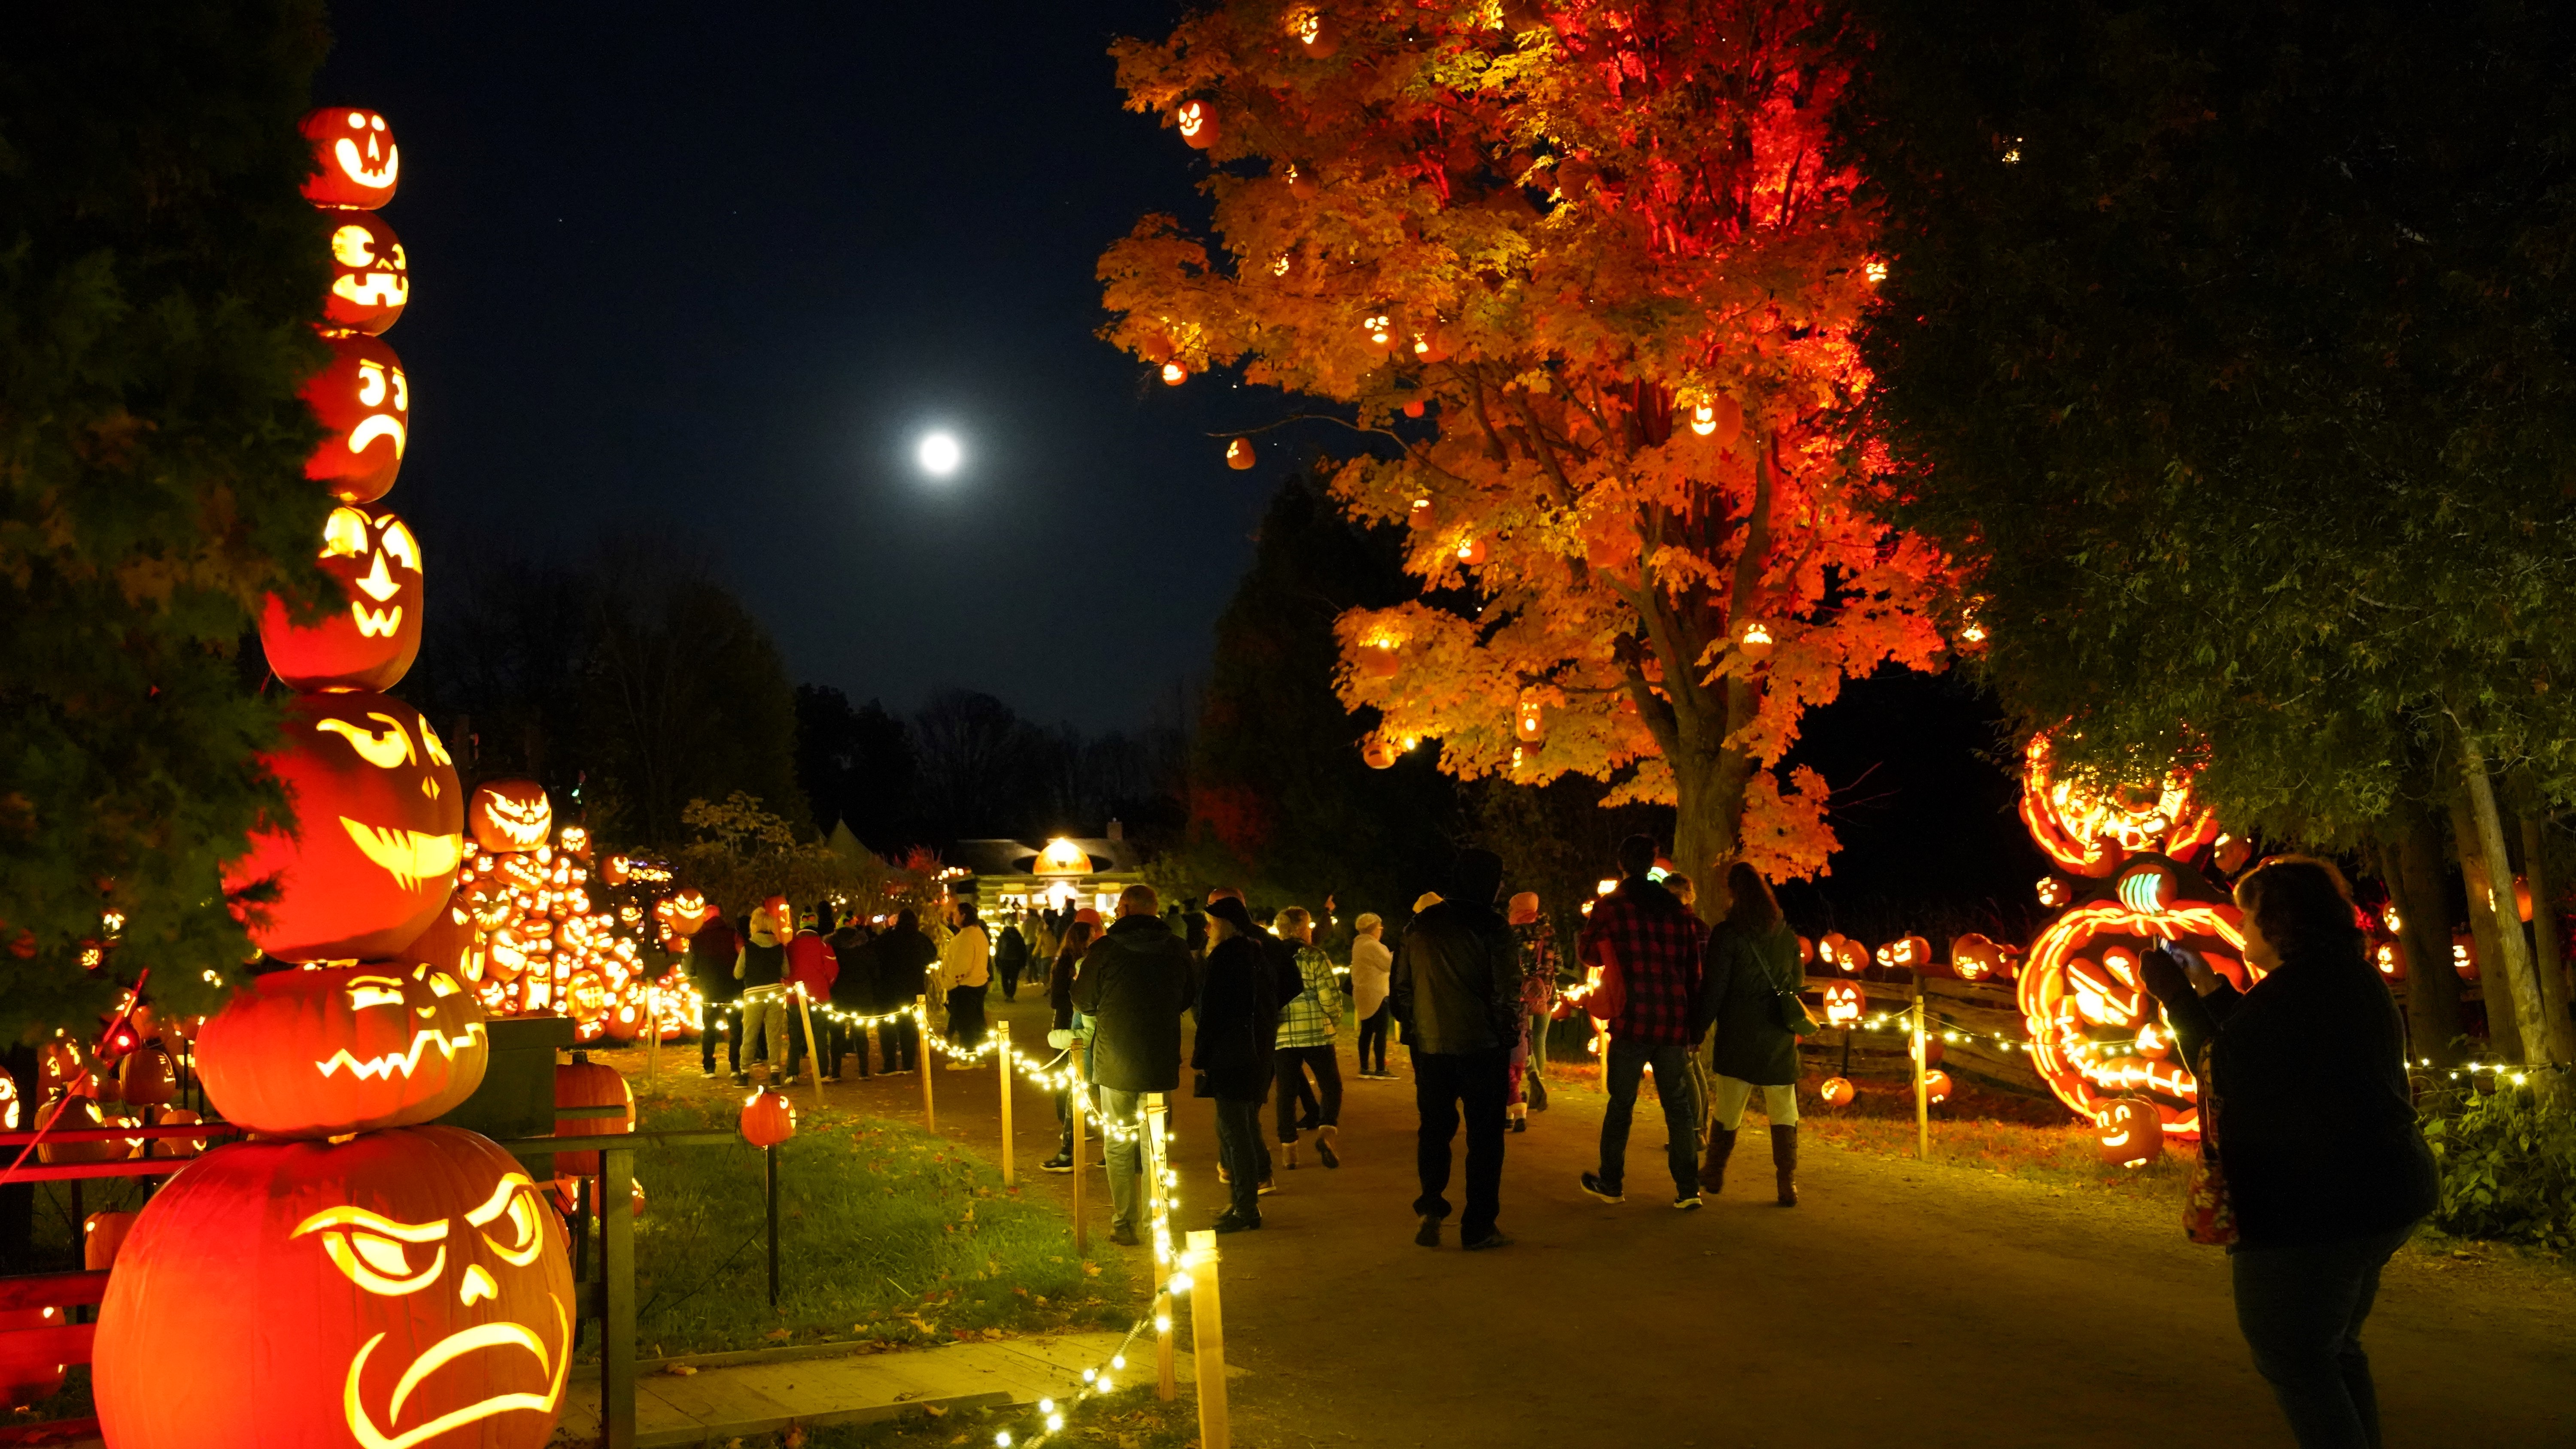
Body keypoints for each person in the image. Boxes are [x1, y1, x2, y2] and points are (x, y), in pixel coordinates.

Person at [2139, 856, 2436, 1449]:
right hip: (2386, 1187)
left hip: (2315, 1203)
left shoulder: (2298, 993)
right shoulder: (2339, 977)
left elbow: (2221, 1067)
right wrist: (2207, 985)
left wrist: (2173, 995)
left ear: (2280, 923)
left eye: (2249, 917)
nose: (2241, 929)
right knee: (2332, 1347)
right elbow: (2259, 1043)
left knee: (2292, 1356)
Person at [1390, 850, 1520, 1250]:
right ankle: (1478, 1224)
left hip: (1431, 1048)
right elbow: (1507, 992)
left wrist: (1417, 1031)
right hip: (1482, 1046)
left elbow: (1401, 992)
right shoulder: (1493, 927)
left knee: (1434, 1129)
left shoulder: (1420, 925)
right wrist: (1507, 1036)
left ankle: (1431, 1206)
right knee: (1484, 1139)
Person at [1577, 837, 1706, 1210]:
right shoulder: (1678, 910)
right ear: (1652, 863)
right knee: (1678, 1106)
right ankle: (1687, 1189)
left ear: (1621, 864)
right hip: (1672, 1020)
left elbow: (1588, 954)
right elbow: (1692, 972)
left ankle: (1612, 1182)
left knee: (1622, 1103)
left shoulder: (1611, 906)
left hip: (1631, 1017)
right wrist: (1693, 1024)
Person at [1072, 884, 1195, 1247]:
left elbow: (1082, 1000)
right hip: (1159, 1057)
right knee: (1154, 1144)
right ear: (1155, 910)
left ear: (1124, 908)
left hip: (1115, 1058)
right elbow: (1189, 995)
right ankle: (1155, 1221)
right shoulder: (1176, 947)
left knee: (1117, 1144)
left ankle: (1124, 1224)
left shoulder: (1105, 949)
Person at [1694, 862, 1807, 1204]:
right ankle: (1787, 1183)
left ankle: (1714, 1172)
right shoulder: (1786, 936)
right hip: (1777, 1033)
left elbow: (1714, 988)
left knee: (1729, 1105)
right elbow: (1798, 983)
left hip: (1739, 1031)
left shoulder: (1728, 935)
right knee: (1784, 1106)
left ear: (1733, 894)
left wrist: (1696, 1030)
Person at [1195, 896, 1278, 1231]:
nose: (1208, 930)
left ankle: (1246, 1207)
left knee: (1234, 1130)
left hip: (1230, 1055)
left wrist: (1201, 1057)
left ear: (1224, 925)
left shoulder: (1226, 958)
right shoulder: (1256, 954)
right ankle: (1243, 1203)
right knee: (1237, 1127)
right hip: (1253, 1051)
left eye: (1212, 923)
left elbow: (1212, 1012)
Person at [1271, 906, 1347, 1169]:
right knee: (1331, 1086)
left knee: (1286, 1092)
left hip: (1281, 1035)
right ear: (1303, 927)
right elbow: (1329, 995)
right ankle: (1326, 1133)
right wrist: (1332, 1019)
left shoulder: (1269, 957)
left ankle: (1289, 1151)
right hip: (1316, 1031)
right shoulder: (1314, 956)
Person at [1041, 910, 1101, 1173]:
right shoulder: (1073, 966)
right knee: (1078, 1093)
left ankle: (1069, 1153)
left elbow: (1087, 1032)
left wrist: (1056, 1036)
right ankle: (1072, 1148)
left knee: (1081, 1094)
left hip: (1085, 1045)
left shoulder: (1086, 997)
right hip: (1082, 1039)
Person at [1503, 892, 1551, 1131]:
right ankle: (1536, 1083)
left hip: (1520, 993)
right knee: (1538, 1039)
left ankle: (1519, 1087)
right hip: (1545, 993)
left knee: (1519, 1035)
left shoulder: (1512, 931)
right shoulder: (1548, 930)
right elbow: (1559, 962)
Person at [871, 909, 937, 1073]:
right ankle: (908, 1064)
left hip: (888, 989)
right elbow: (932, 955)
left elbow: (874, 952)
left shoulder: (888, 937)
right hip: (913, 989)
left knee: (887, 1028)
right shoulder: (920, 938)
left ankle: (890, 1064)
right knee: (909, 1027)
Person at [732, 902, 790, 1087]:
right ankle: (775, 1073)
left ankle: (744, 1073)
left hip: (754, 994)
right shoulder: (779, 947)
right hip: (776, 993)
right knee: (774, 1034)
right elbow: (786, 972)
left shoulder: (748, 950)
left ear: (755, 926)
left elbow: (738, 974)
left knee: (750, 1033)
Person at [782, 908, 839, 1083]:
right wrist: (824, 985)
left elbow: (784, 971)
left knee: (796, 1036)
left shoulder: (790, 946)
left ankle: (792, 1073)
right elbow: (833, 970)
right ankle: (822, 1073)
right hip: (819, 997)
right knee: (820, 1035)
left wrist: (789, 986)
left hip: (794, 997)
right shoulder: (824, 946)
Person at [685, 910, 742, 1079]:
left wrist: (697, 975)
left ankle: (709, 1067)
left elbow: (688, 968)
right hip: (733, 988)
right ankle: (735, 1067)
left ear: (706, 919)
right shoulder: (734, 935)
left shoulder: (697, 940)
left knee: (709, 1029)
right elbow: (742, 957)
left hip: (709, 990)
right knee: (736, 1029)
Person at [937, 900, 992, 1064]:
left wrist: (949, 982)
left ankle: (967, 1059)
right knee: (975, 1022)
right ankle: (977, 1056)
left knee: (966, 1025)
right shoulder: (978, 933)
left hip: (965, 986)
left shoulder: (967, 937)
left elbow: (961, 966)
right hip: (977, 983)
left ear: (964, 916)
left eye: (955, 914)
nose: (952, 917)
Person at [826, 910, 875, 1080]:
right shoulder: (863, 947)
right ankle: (864, 1071)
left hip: (838, 994)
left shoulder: (831, 948)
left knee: (837, 1034)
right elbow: (872, 970)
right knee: (860, 1033)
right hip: (860, 994)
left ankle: (836, 1072)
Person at [1349, 913, 1395, 1080]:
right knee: (1381, 1032)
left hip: (1362, 993)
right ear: (1374, 929)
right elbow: (1388, 965)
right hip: (1378, 993)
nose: (1381, 931)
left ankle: (1364, 1067)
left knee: (1367, 1031)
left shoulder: (1358, 945)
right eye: (1380, 928)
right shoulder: (1374, 946)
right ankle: (1381, 1070)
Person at [995, 912, 1030, 1002]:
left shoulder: (1002, 936)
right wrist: (1023, 961)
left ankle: (1007, 994)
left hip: (1004, 959)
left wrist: (997, 960)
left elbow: (998, 949)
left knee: (1005, 978)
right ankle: (1011, 995)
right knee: (1014, 979)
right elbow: (1023, 949)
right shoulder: (1018, 936)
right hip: (1015, 960)